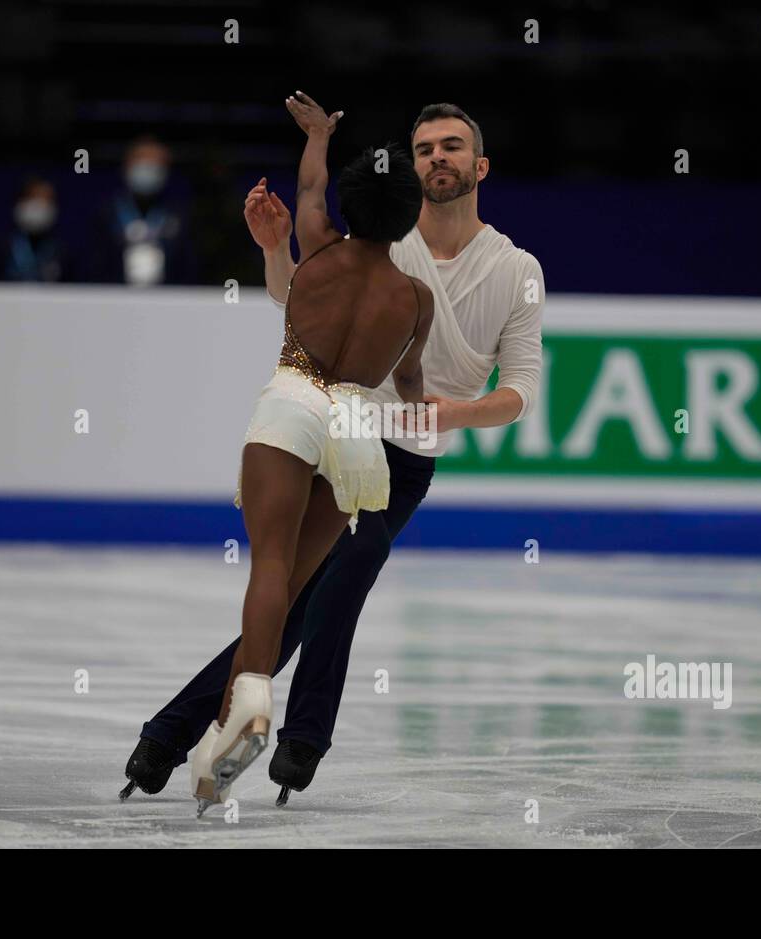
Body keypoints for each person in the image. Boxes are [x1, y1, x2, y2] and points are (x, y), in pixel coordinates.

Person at [123, 101, 544, 807]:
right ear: (411, 169)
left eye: (451, 146)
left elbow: (523, 390)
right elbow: (303, 298)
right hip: (339, 434)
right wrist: (271, 250)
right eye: (424, 148)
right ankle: (302, 738)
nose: (437, 156)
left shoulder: (515, 268)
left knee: (296, 601)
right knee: (344, 568)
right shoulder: (384, 239)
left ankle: (170, 734)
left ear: (480, 166)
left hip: (407, 459)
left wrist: (454, 412)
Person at [167, 91, 433, 816]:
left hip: (294, 401)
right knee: (294, 590)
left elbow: (309, 187)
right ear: (410, 218)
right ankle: (221, 742)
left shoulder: (317, 246)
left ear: (349, 206)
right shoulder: (414, 298)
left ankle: (249, 703)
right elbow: (409, 387)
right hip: (356, 425)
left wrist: (317, 135)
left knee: (271, 570)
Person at [91, 136, 194, 285]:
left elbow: (187, 272)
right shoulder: (106, 215)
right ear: (127, 166)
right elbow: (95, 270)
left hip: (167, 301)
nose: (147, 168)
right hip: (114, 299)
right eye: (142, 161)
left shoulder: (179, 217)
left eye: (155, 164)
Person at [0, 177, 71, 283]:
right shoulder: (1, 248)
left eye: (45, 200)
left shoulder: (61, 252)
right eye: (33, 198)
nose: (38, 206)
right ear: (20, 202)